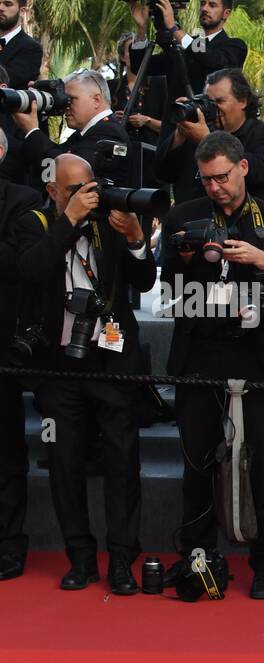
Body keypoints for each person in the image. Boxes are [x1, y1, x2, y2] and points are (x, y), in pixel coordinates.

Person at [159, 131, 264, 600]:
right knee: (197, 462)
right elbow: (168, 292)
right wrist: (185, 260)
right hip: (201, 351)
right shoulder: (183, 215)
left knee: (263, 463)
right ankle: (198, 556)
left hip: (259, 354)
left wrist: (263, 259)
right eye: (206, 180)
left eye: (222, 177)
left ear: (243, 168)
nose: (214, 188)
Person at [14, 154, 157, 593]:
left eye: (90, 186)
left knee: (122, 464)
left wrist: (136, 240)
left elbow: (146, 280)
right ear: (53, 191)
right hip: (57, 368)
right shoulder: (33, 223)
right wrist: (67, 221)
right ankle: (79, 557)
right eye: (74, 190)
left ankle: (120, 559)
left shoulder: (107, 219)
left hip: (111, 364)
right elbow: (30, 270)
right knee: (64, 465)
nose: (86, 196)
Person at [0, 124, 41, 582]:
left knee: (5, 452)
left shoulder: (21, 200)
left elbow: (21, 264)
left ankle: (9, 543)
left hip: (3, 345)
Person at [157, 68, 264, 206]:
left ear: (243, 101)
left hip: (251, 222)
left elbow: (259, 173)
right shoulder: (196, 133)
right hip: (192, 222)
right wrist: (180, 133)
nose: (213, 108)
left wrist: (208, 140)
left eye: (220, 101)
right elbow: (162, 174)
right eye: (207, 102)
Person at [12, 70, 131, 183]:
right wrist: (39, 109)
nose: (65, 106)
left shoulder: (109, 131)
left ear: (96, 100)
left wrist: (32, 131)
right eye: (64, 100)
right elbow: (47, 168)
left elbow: (65, 172)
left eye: (71, 99)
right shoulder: (85, 134)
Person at [129, 0, 248, 101]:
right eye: (202, 3)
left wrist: (174, 28)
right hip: (174, 125)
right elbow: (139, 67)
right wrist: (141, 30)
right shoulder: (185, 44)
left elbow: (211, 60)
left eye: (212, 5)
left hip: (209, 125)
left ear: (226, 13)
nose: (204, 8)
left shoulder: (235, 46)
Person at [0, 0, 43, 92]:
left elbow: (5, 80)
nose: (0, 8)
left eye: (8, 4)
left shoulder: (31, 48)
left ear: (22, 11)